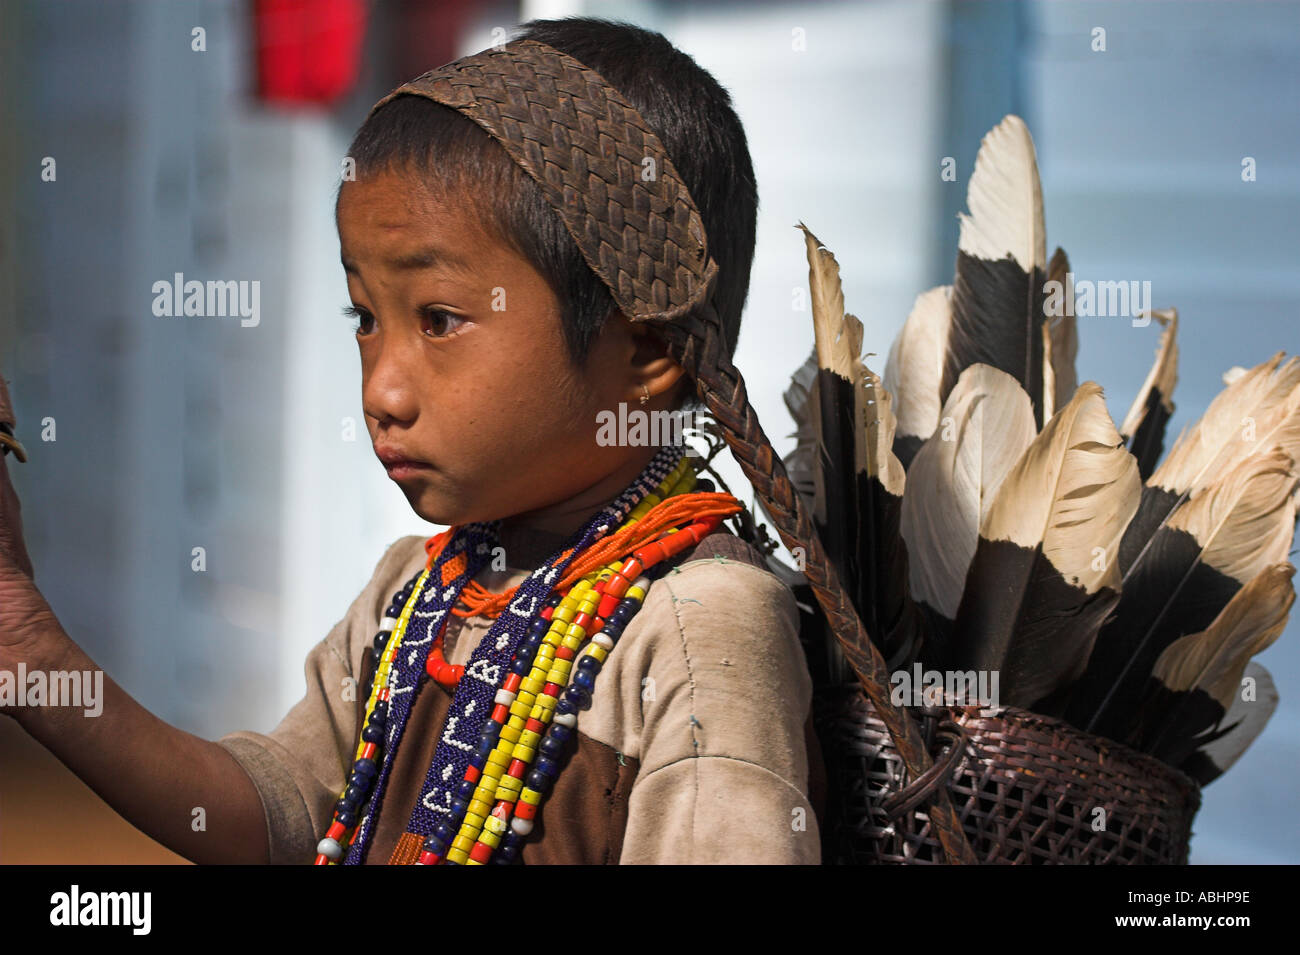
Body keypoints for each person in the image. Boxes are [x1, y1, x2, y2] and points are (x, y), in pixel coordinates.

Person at [0, 16, 824, 864]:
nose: (382, 390)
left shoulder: (700, 624)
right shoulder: (416, 592)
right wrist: (29, 651)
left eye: (439, 319)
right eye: (364, 317)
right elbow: (276, 817)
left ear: (646, 352)